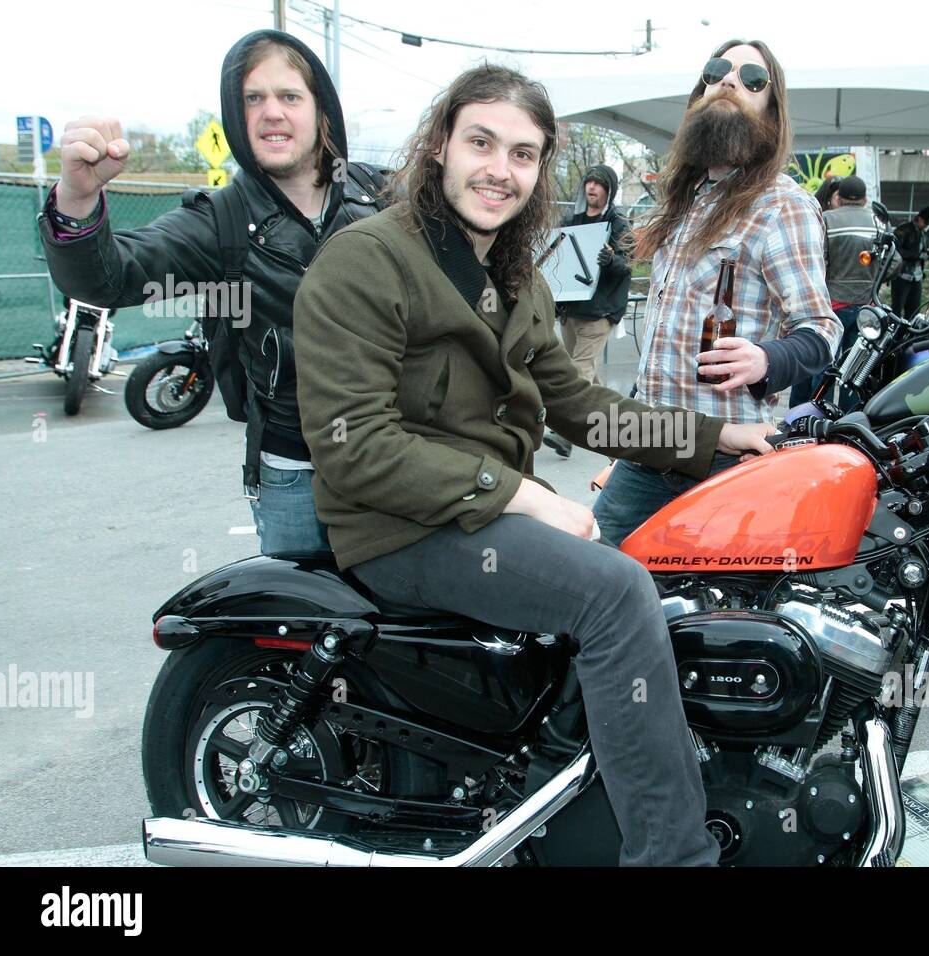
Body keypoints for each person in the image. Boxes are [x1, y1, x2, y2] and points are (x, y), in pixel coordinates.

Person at [292, 65, 774, 867]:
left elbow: (579, 405)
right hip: (401, 526)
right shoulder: (368, 260)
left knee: (665, 581)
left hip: (475, 516)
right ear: (441, 143)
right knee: (617, 591)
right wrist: (517, 493)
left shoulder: (515, 278)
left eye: (523, 154)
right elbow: (354, 443)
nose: (499, 169)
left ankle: (555, 789)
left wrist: (715, 438)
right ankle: (672, 857)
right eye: (482, 143)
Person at [37, 30, 386, 555]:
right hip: (293, 473)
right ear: (235, 115)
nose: (272, 112)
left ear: (322, 112)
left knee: (404, 629)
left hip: (399, 457)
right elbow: (107, 278)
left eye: (290, 96)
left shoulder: (383, 196)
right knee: (299, 627)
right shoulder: (219, 220)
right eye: (253, 98)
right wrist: (78, 198)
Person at [592, 38, 842, 546]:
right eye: (717, 70)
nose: (730, 80)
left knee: (711, 608)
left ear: (770, 113)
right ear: (699, 92)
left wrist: (766, 359)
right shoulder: (685, 200)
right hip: (653, 441)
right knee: (599, 568)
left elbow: (822, 329)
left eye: (754, 79)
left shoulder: (781, 205)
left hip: (724, 454)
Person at [543, 164, 634, 458]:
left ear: (609, 190)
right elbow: (559, 261)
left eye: (598, 184)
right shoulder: (573, 221)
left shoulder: (619, 225)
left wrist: (611, 261)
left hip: (600, 312)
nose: (592, 188)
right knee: (590, 376)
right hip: (572, 310)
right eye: (589, 183)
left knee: (577, 371)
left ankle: (566, 433)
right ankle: (618, 430)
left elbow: (627, 267)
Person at [787, 175, 899, 411]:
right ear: (865, 198)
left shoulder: (827, 219)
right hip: (867, 309)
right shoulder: (879, 222)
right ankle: (848, 419)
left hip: (832, 305)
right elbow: (895, 260)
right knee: (855, 368)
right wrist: (875, 281)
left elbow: (817, 259)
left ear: (838, 197)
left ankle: (817, 415)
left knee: (824, 364)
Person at [891, 205, 929, 319]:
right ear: (920, 219)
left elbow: (921, 251)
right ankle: (894, 332)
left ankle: (908, 333)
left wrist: (928, 254)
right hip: (902, 275)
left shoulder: (922, 233)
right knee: (896, 308)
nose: (926, 226)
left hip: (917, 276)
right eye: (926, 223)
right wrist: (918, 256)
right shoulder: (903, 230)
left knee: (914, 309)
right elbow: (896, 250)